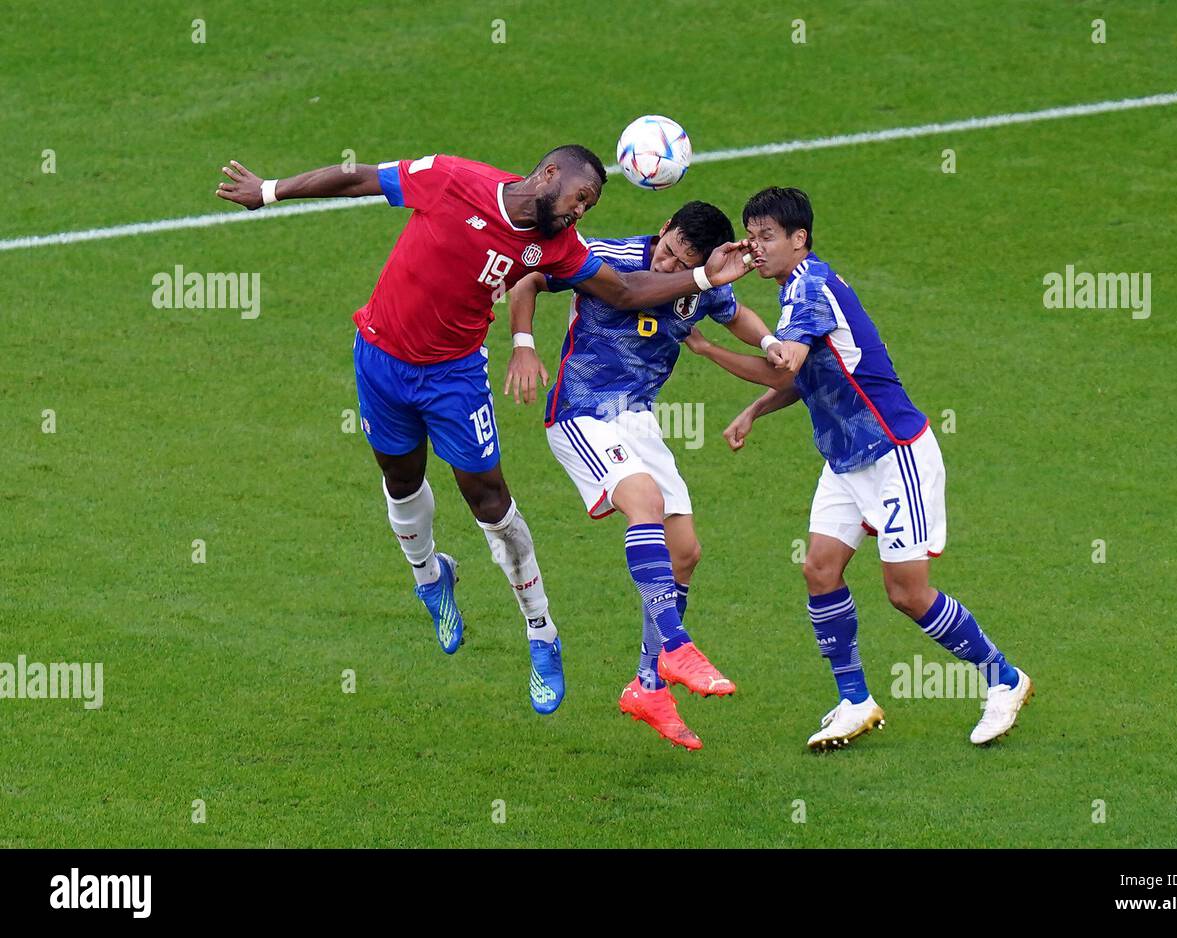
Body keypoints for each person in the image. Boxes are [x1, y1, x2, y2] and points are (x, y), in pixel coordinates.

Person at [214, 148, 754, 715]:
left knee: (490, 501)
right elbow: (360, 179)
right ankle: (431, 578)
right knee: (401, 480)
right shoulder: (452, 179)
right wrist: (269, 190)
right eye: (580, 198)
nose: (580, 212)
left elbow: (622, 291)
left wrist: (703, 277)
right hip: (379, 358)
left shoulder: (560, 246)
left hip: (455, 377)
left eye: (589, 206)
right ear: (549, 175)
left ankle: (541, 632)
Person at [685, 187, 1032, 749]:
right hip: (846, 460)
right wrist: (755, 411)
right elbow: (809, 374)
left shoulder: (810, 288)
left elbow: (782, 368)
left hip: (895, 454)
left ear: (800, 239)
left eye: (767, 236)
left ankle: (1005, 680)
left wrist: (707, 350)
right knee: (820, 570)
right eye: (751, 237)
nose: (756, 248)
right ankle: (855, 700)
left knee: (907, 593)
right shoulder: (799, 290)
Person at [507, 201, 775, 749]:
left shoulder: (704, 284)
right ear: (663, 228)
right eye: (668, 248)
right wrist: (524, 346)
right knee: (644, 501)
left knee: (686, 552)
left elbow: (734, 313)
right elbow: (529, 278)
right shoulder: (608, 257)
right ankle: (676, 644)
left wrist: (771, 343)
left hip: (638, 421)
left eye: (681, 261)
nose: (667, 262)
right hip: (581, 413)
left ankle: (648, 687)